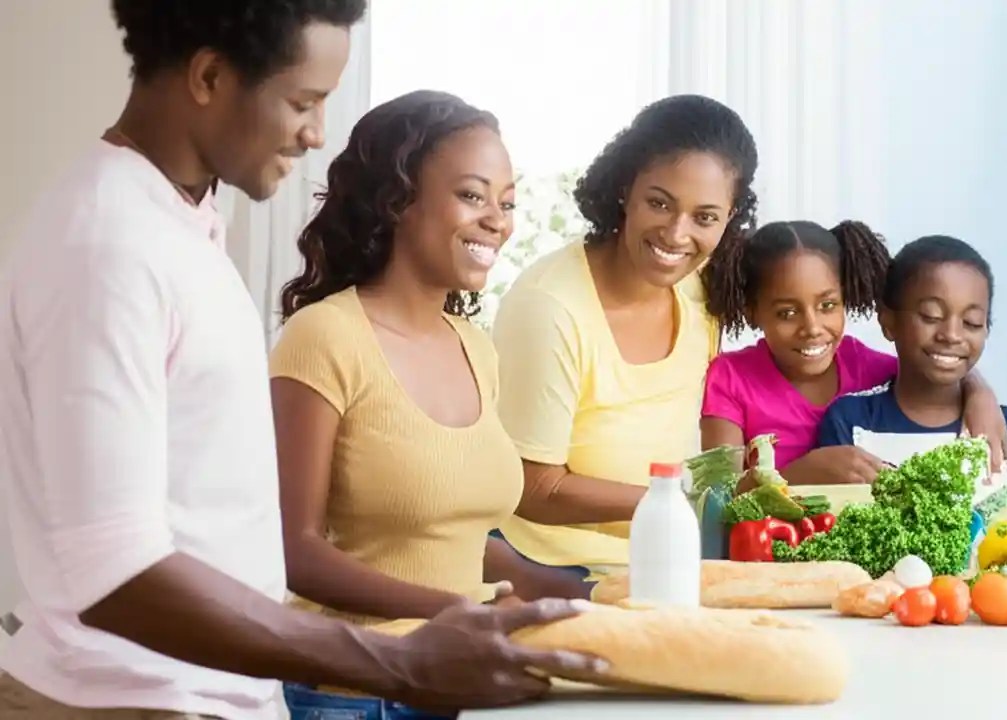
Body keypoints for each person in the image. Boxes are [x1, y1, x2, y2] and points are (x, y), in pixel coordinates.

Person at [0, 4, 600, 719]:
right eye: (302, 102)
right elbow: (113, 570)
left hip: (212, 695)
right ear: (209, 76)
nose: (316, 133)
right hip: (130, 701)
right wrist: (400, 661)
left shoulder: (179, 225)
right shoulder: (108, 244)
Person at [269, 89, 594, 718]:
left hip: (462, 681)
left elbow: (452, 534)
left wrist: (580, 593)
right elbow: (295, 550)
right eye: (472, 195)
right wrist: (459, 610)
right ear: (397, 200)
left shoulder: (476, 346)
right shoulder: (324, 336)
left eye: (507, 203)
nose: (498, 221)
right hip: (355, 693)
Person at [488, 95, 760, 575]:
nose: (677, 234)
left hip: (668, 560)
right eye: (659, 203)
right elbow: (531, 488)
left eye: (704, 217)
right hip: (550, 567)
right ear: (625, 188)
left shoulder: (702, 291)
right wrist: (678, 503)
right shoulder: (550, 307)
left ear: (730, 215)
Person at [699, 220, 1007, 485]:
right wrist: (799, 474)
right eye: (787, 313)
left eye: (827, 305)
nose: (812, 327)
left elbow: (934, 367)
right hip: (764, 538)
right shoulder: (731, 379)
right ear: (752, 312)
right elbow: (717, 501)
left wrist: (980, 394)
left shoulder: (866, 367)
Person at [816, 235, 1007, 478]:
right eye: (931, 316)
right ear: (888, 321)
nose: (951, 335)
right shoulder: (851, 421)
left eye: (971, 322)